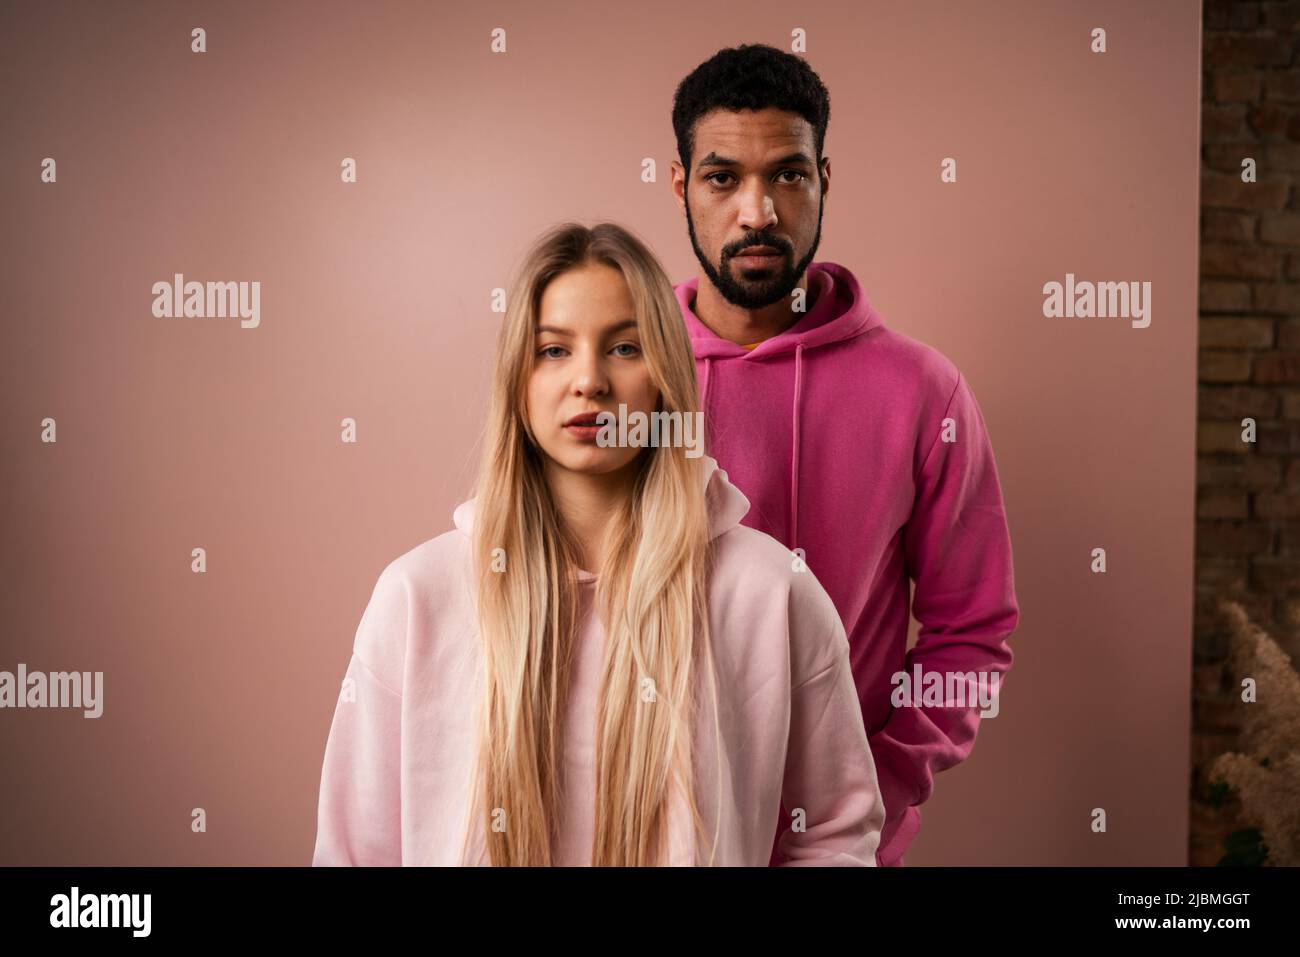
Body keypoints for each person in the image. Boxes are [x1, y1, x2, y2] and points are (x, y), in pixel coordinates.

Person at [312, 221, 884, 866]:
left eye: (625, 348)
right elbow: (353, 854)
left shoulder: (769, 590)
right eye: (554, 350)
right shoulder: (416, 597)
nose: (589, 381)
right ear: (516, 383)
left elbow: (838, 830)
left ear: (666, 379)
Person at [668, 44, 1021, 866]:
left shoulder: (923, 390)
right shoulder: (624, 384)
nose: (757, 211)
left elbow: (972, 630)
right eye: (723, 178)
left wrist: (879, 786)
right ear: (681, 186)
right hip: (649, 833)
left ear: (824, 177)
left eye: (787, 175)